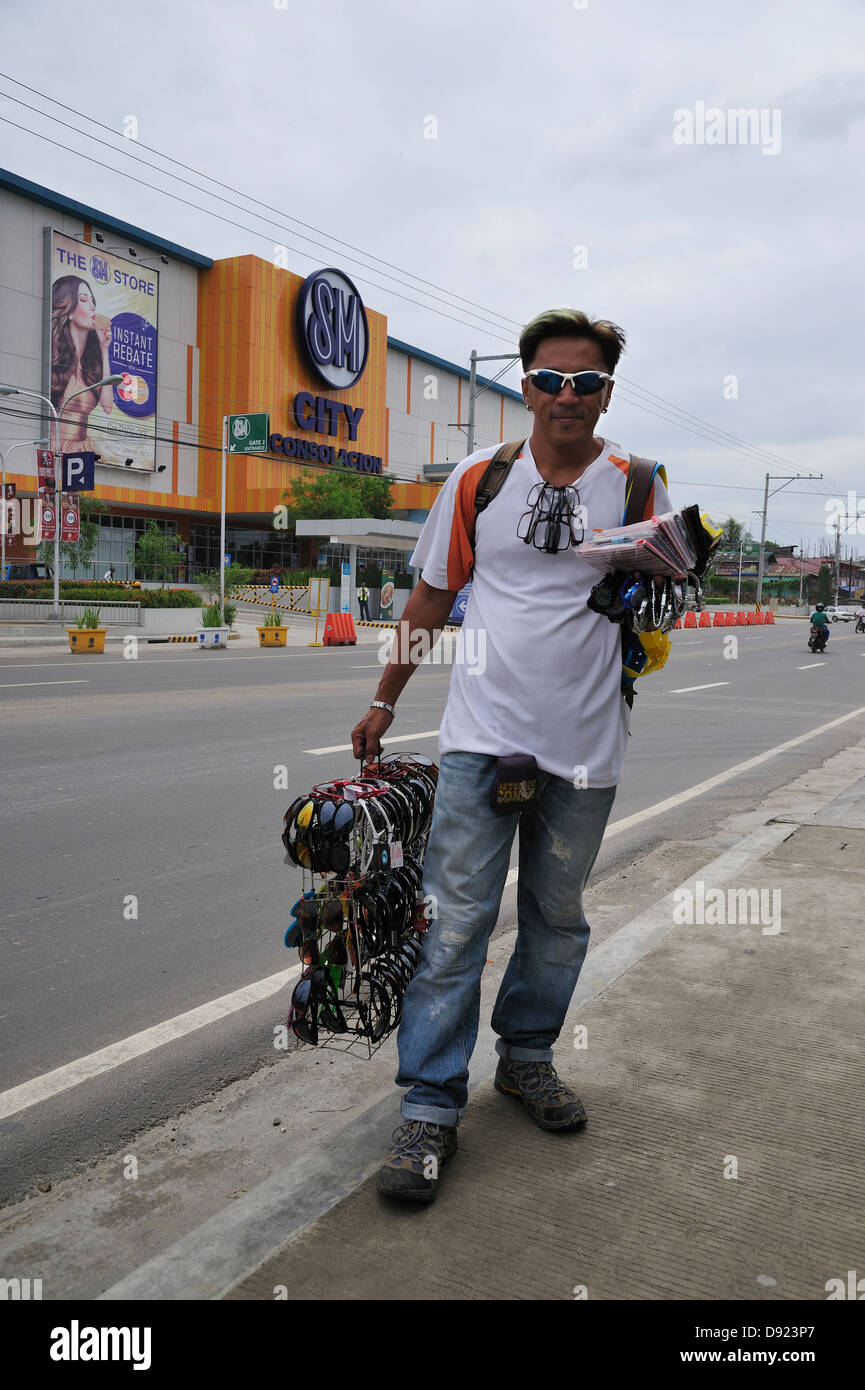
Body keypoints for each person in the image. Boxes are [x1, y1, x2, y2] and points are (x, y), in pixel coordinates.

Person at [350, 307, 673, 1204]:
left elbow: (660, 602)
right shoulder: (476, 480)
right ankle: (428, 1104)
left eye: (586, 383)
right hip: (481, 743)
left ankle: (525, 1060)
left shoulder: (639, 484)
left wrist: (658, 591)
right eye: (549, 380)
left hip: (585, 747)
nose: (566, 398)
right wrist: (383, 701)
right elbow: (427, 600)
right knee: (453, 924)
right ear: (523, 385)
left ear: (607, 390)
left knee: (557, 920)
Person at [50, 276, 114, 456]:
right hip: (56, 449)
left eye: (92, 300)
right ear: (68, 310)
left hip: (82, 450)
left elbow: (108, 407)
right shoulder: (55, 359)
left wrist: (104, 349)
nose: (92, 306)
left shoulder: (91, 363)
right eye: (84, 300)